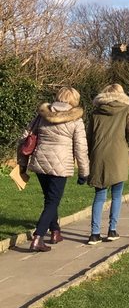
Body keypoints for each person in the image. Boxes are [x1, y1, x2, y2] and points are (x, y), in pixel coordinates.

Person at [18, 87, 89, 252]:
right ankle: (38, 237)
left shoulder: (43, 115)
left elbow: (25, 137)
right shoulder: (75, 120)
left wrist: (22, 163)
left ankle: (55, 231)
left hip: (40, 162)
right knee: (53, 201)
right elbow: (81, 147)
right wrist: (84, 172)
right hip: (60, 165)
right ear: (74, 100)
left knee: (49, 199)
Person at [86, 83, 129, 245]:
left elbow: (89, 137)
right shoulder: (126, 110)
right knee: (117, 195)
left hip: (99, 155)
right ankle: (112, 230)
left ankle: (94, 233)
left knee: (99, 195)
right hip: (118, 156)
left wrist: (89, 155)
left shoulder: (96, 113)